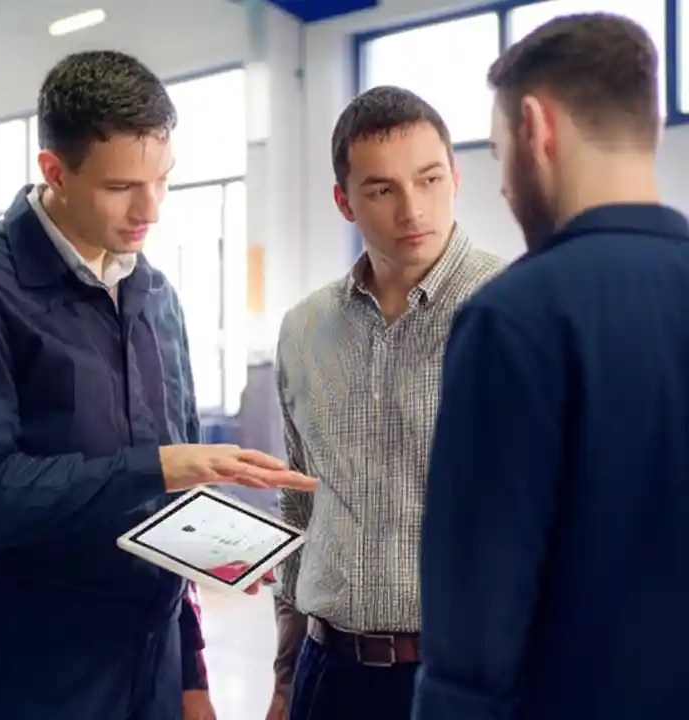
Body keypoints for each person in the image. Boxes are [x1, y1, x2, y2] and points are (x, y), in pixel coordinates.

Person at [0, 50, 317, 720]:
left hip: (151, 667)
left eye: (162, 180)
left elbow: (163, 503)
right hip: (32, 667)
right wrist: (153, 466)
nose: (149, 209)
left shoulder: (154, 294)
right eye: (122, 187)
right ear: (54, 172)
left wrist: (192, 673)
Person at [413, 13, 688, 720]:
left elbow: (472, 646)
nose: (504, 185)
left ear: (537, 130)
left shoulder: (515, 319)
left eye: (500, 151)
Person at [265, 86, 505, 720]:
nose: (412, 209)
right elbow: (297, 503)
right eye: (381, 190)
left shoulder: (515, 310)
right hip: (329, 673)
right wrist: (286, 676)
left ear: (455, 175)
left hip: (470, 676)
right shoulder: (305, 328)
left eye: (429, 179)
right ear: (344, 202)